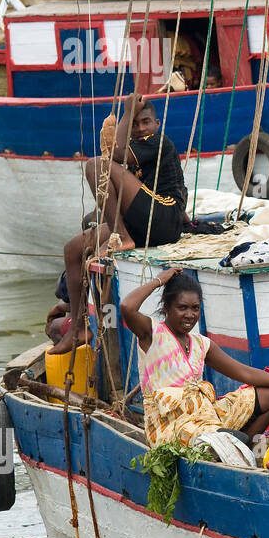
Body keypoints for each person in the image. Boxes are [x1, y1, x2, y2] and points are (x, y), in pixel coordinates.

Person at [50, 93, 188, 355]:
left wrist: (125, 113)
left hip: (161, 220)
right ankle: (78, 328)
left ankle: (120, 235)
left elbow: (114, 153)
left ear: (157, 124)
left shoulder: (159, 141)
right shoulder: (138, 146)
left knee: (95, 165)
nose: (140, 128)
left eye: (145, 122)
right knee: (72, 249)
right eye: (134, 124)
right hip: (144, 221)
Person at [120, 268, 269, 446]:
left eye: (195, 308)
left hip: (205, 417)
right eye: (182, 308)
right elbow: (127, 307)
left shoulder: (201, 344)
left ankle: (243, 448)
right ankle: (228, 444)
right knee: (214, 436)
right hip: (170, 427)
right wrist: (159, 280)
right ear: (167, 307)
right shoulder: (152, 333)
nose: (190, 315)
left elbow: (244, 373)